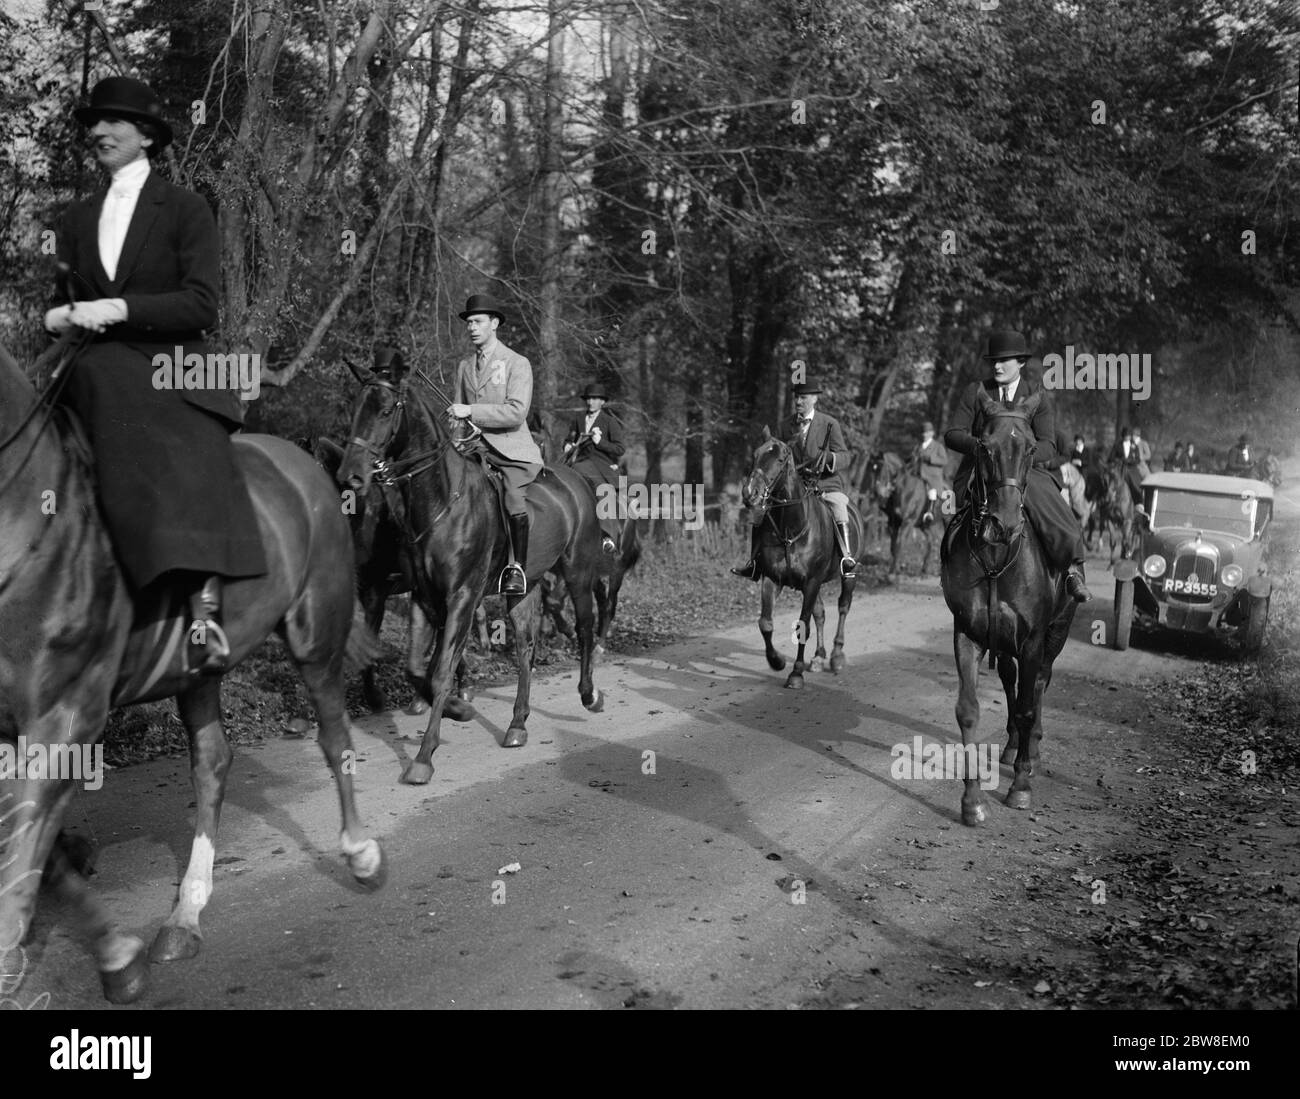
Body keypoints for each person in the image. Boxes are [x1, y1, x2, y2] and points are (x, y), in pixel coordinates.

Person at [45, 76, 265, 674]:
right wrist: (60, 313)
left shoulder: (187, 210)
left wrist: (119, 309)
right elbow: (65, 297)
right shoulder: (75, 218)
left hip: (171, 362)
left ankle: (202, 602)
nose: (98, 132)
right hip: (88, 360)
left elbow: (200, 305)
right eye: (93, 123)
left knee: (134, 406)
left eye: (113, 122)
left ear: (145, 136)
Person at [945, 330, 1090, 602]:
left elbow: (1048, 445)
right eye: (993, 361)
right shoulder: (975, 391)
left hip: (1024, 470)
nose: (997, 366)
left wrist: (1019, 457)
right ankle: (949, 571)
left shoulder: (1037, 396)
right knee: (954, 514)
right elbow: (952, 433)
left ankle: (1072, 568)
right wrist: (983, 448)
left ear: (1021, 362)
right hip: (983, 466)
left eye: (1005, 360)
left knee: (1052, 505)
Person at [449, 293, 544, 595]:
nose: (471, 328)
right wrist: (453, 441)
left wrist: (471, 411)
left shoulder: (517, 363)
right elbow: (457, 413)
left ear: (494, 324)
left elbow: (517, 412)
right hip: (474, 448)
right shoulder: (465, 366)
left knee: (513, 498)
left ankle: (516, 568)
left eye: (477, 322)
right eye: (469, 323)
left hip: (511, 450)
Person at [732, 381, 856, 580]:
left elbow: (845, 456)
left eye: (803, 398)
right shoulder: (784, 425)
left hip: (824, 484)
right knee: (759, 513)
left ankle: (846, 558)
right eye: (797, 398)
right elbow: (776, 456)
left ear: (814, 399)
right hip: (793, 488)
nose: (799, 401)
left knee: (839, 507)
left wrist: (830, 459)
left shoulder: (829, 424)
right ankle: (754, 563)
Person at [563, 382, 625, 555]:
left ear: (602, 402)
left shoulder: (609, 422)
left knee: (603, 492)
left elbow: (620, 449)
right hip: (578, 461)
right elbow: (569, 438)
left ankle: (607, 536)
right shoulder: (577, 419)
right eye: (589, 398)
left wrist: (601, 442)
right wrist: (568, 445)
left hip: (601, 465)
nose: (591, 402)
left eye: (595, 399)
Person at [909, 421, 948, 526]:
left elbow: (944, 461)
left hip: (932, 477)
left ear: (932, 433)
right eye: (923, 433)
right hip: (917, 475)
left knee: (932, 492)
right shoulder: (918, 447)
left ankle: (930, 513)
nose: (924, 435)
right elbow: (912, 459)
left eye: (926, 433)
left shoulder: (938, 446)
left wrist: (931, 458)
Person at [1108, 425, 1145, 504]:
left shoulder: (1134, 446)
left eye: (1128, 436)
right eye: (1125, 436)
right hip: (1119, 468)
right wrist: (1119, 460)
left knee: (1136, 484)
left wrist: (1130, 461)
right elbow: (1111, 457)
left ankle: (1139, 501)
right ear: (1123, 436)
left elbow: (1138, 459)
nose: (1127, 437)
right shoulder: (1117, 445)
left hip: (1131, 469)